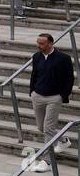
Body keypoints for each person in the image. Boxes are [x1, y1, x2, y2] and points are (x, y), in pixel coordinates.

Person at [28, 33, 74, 168]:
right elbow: (34, 74)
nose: (38, 46)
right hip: (38, 96)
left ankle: (46, 160)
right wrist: (32, 91)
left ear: (50, 44)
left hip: (54, 98)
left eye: (41, 43)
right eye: (38, 43)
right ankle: (63, 140)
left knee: (48, 127)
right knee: (41, 127)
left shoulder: (63, 59)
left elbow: (69, 79)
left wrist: (62, 95)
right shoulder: (36, 56)